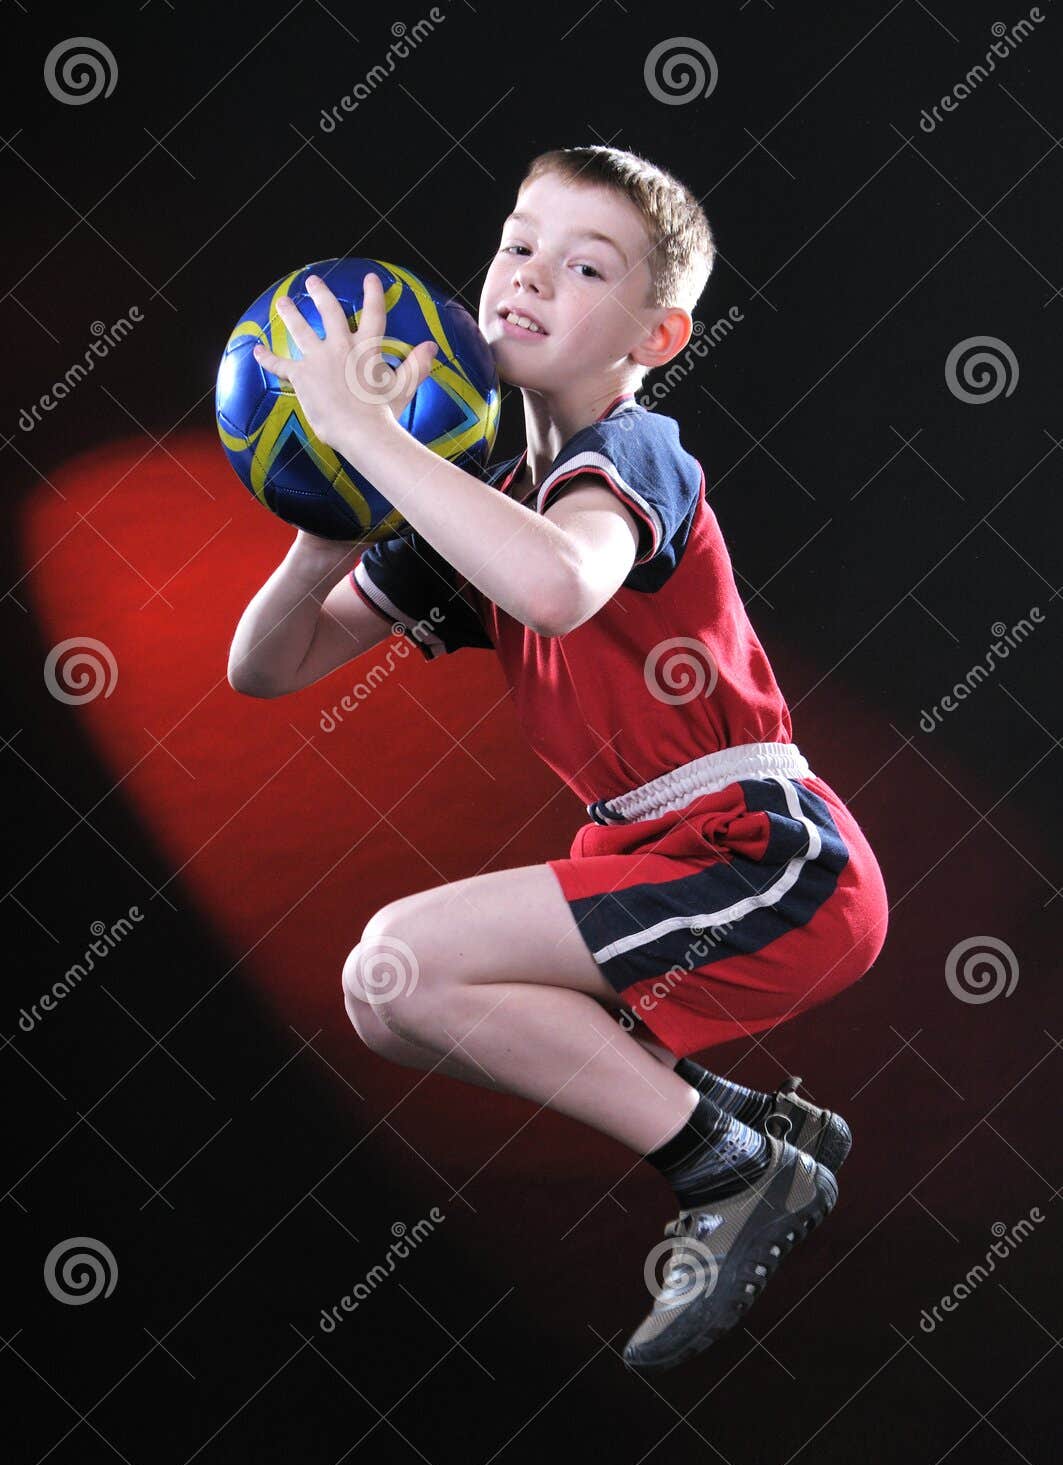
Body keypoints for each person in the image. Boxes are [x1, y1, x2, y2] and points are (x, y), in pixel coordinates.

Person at [228, 144, 889, 1373]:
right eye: (518, 244)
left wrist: (365, 430)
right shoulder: (475, 493)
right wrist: (328, 512)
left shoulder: (631, 454)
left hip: (765, 856)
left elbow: (554, 583)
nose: (529, 276)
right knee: (388, 989)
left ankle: (733, 1167)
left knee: (405, 956)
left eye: (586, 267)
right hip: (655, 851)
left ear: (655, 336)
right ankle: (741, 1129)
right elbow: (265, 667)